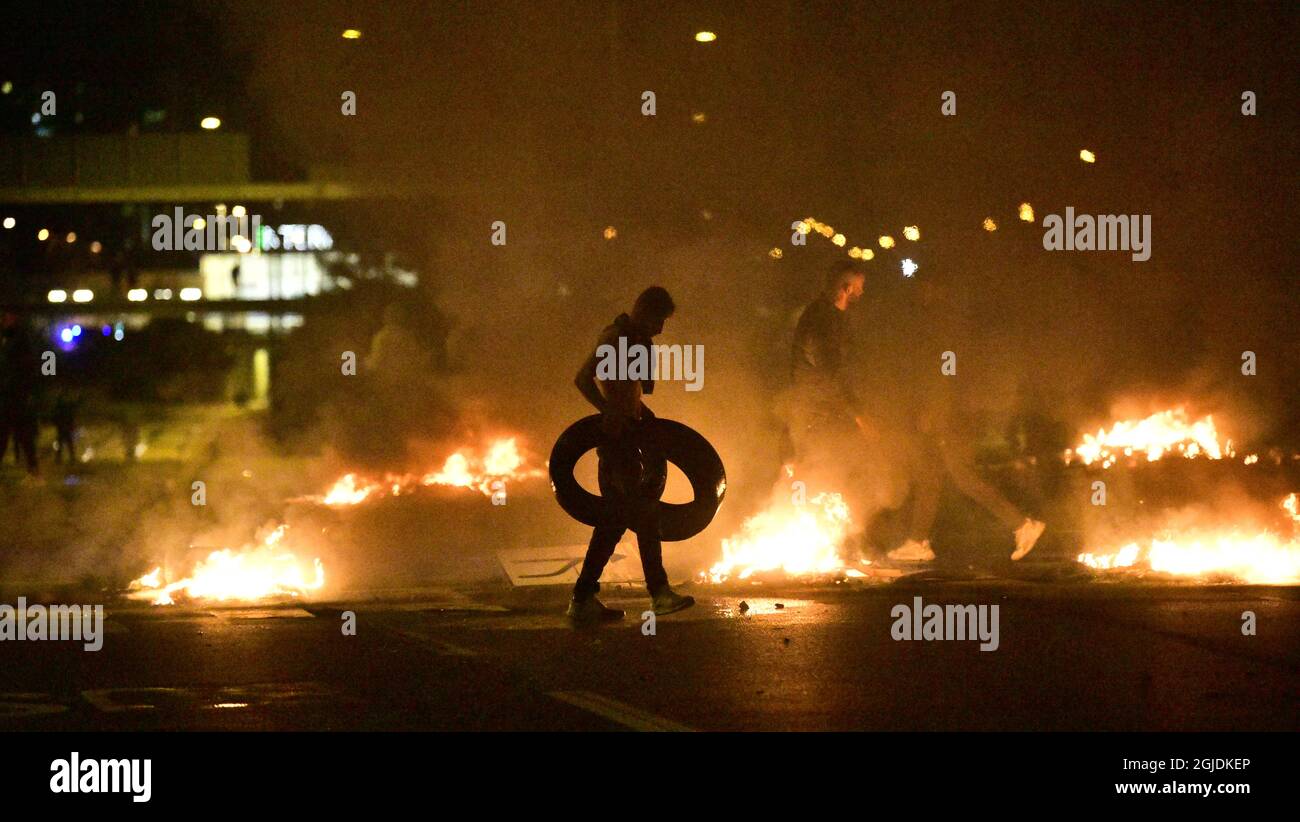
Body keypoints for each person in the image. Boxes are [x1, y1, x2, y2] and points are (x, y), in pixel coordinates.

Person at [886, 278, 1045, 562]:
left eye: (926, 287)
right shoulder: (946, 325)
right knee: (929, 476)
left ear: (936, 290)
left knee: (964, 477)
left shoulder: (944, 328)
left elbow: (947, 377)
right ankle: (918, 541)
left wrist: (937, 412)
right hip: (951, 414)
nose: (920, 292)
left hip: (952, 418)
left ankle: (1023, 524)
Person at [568, 286, 695, 622]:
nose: (661, 329)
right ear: (643, 311)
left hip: (627, 436)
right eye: (659, 320)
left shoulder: (635, 340)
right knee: (645, 515)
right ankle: (659, 594)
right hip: (617, 443)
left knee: (613, 523)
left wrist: (643, 419)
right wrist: (606, 411)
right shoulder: (615, 338)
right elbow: (583, 378)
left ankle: (582, 600)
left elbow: (632, 395)